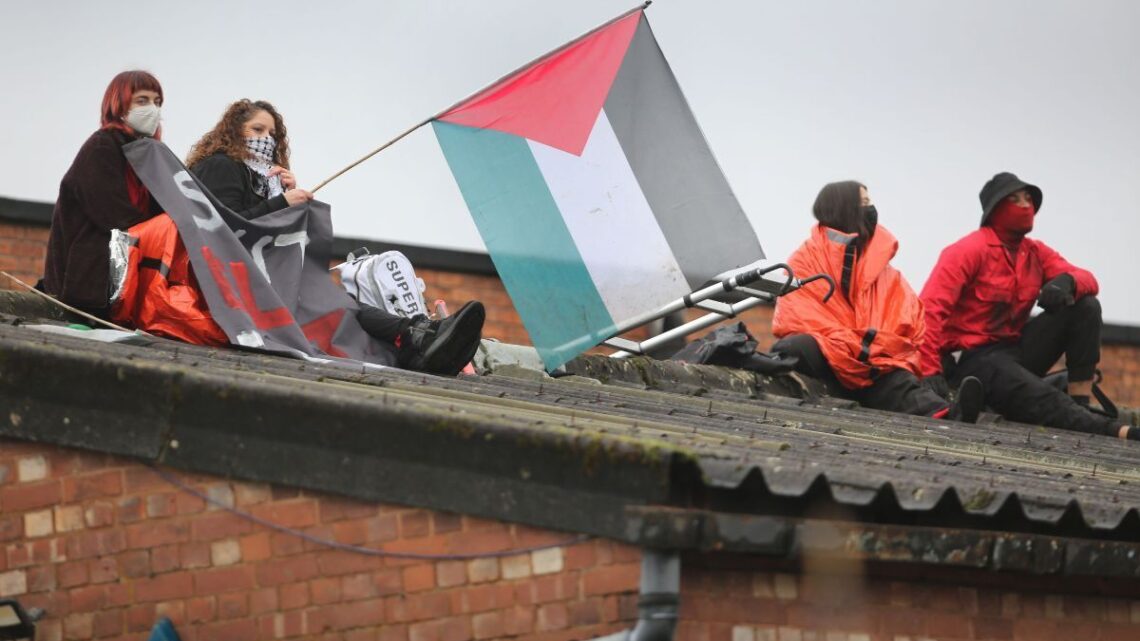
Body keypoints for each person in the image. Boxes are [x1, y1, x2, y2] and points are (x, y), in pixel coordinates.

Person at [186, 99, 484, 376]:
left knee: (342, 304)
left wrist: (278, 192)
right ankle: (418, 337)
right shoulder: (221, 165)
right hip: (231, 285)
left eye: (273, 134)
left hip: (262, 281)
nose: (267, 139)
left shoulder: (260, 179)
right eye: (257, 129)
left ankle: (417, 342)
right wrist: (282, 203)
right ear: (233, 132)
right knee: (338, 304)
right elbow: (223, 228)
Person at [919, 172, 1137, 440]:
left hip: (1014, 352)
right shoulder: (966, 251)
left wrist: (1066, 282)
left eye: (1028, 198)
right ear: (995, 210)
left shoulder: (1035, 252)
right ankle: (1108, 429)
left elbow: (1088, 280)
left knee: (1086, 305)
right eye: (1014, 199)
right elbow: (929, 313)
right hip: (973, 362)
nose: (1025, 205)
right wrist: (929, 372)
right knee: (1039, 396)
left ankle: (1081, 402)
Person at [772, 181, 983, 422]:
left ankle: (949, 413)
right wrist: (856, 347)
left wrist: (868, 350)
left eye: (869, 202)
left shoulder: (885, 270)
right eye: (862, 203)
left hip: (874, 361)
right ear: (842, 208)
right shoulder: (805, 260)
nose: (870, 208)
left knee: (895, 379)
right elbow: (799, 315)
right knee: (795, 347)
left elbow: (907, 322)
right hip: (836, 351)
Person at [42, 70, 167, 319]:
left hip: (122, 282)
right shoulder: (101, 147)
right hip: (87, 285)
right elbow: (115, 217)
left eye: (157, 102)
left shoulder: (150, 155)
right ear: (118, 104)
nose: (152, 109)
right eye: (142, 100)